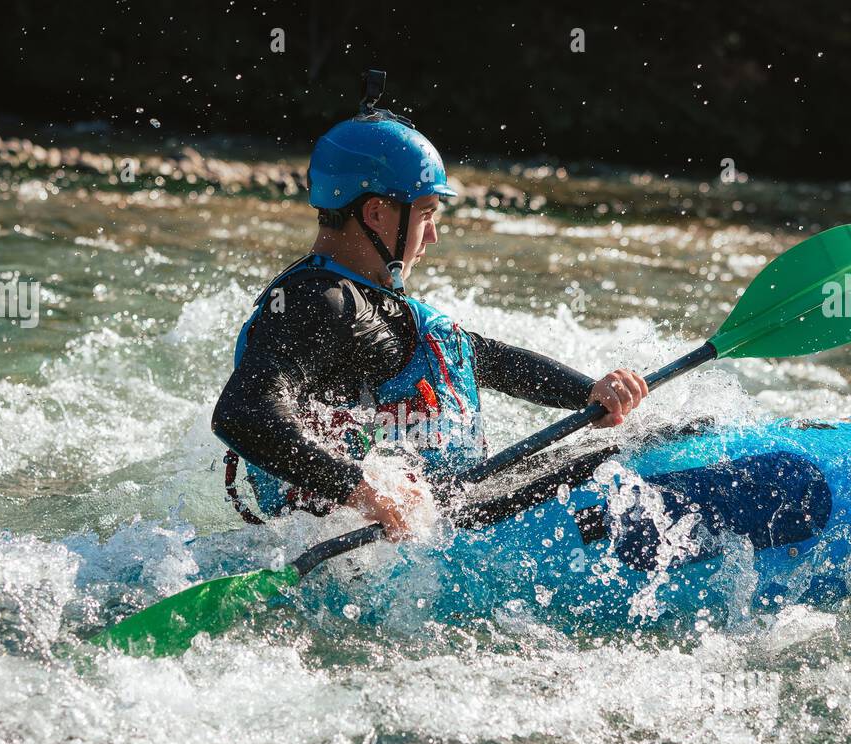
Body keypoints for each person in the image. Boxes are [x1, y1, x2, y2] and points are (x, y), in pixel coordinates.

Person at [213, 71, 647, 540]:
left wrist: (589, 393)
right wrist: (364, 491)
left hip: (440, 516)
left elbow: (482, 358)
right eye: (425, 213)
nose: (433, 235)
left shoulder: (364, 297)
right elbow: (243, 413)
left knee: (643, 439)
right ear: (377, 213)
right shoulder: (318, 304)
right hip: (366, 546)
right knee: (634, 456)